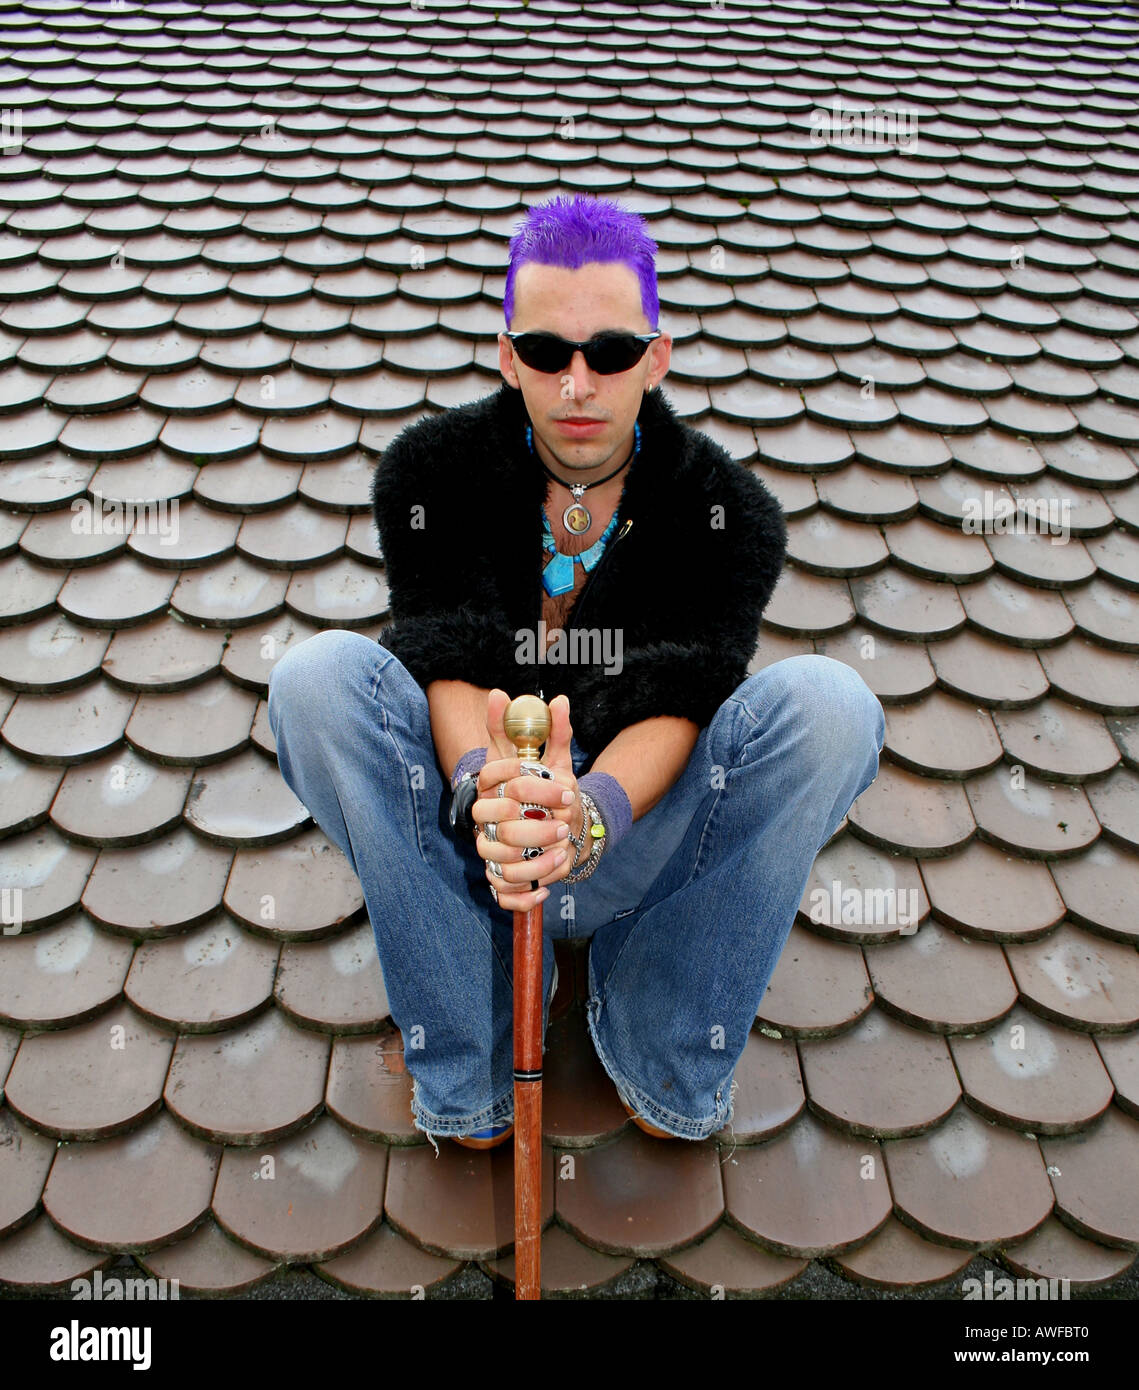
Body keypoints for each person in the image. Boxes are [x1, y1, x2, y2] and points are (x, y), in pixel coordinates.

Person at [267, 193, 885, 1152]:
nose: (579, 383)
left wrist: (587, 815)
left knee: (832, 704)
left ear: (657, 356)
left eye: (612, 352)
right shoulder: (432, 472)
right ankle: (470, 1052)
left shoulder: (729, 509)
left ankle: (662, 1038)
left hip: (634, 836)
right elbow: (448, 653)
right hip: (475, 846)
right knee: (314, 679)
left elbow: (682, 696)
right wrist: (485, 791)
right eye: (549, 354)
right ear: (509, 357)